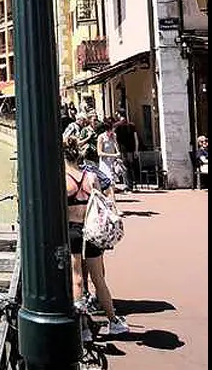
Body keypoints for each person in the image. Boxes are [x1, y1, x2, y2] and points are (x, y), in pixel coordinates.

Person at [65, 139, 130, 335]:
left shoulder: (62, 179)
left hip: (73, 230)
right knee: (98, 278)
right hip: (91, 231)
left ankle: (83, 328)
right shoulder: (91, 176)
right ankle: (114, 321)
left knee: (76, 278)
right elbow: (100, 201)